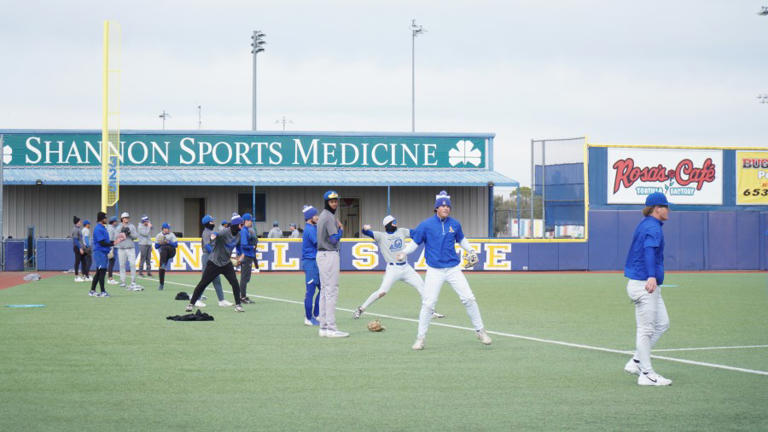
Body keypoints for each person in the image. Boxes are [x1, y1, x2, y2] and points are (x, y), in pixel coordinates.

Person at [406, 191, 492, 350]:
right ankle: (420, 338)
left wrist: (471, 251)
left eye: (448, 206)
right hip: (434, 270)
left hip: (453, 268)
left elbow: (462, 240)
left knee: (469, 298)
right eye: (442, 205)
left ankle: (480, 331)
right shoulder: (426, 225)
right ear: (436, 208)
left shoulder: (455, 224)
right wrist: (404, 253)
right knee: (429, 304)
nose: (446, 208)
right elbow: (414, 243)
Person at [622, 192, 672, 386]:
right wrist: (651, 275)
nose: (668, 210)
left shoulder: (646, 224)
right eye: (666, 206)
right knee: (646, 330)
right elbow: (649, 250)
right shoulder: (652, 227)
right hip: (644, 284)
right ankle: (646, 374)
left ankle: (636, 361)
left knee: (662, 324)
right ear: (657, 208)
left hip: (644, 284)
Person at [353, 215, 445, 320]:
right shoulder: (381, 236)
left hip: (406, 268)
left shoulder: (401, 231)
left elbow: (415, 233)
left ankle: (431, 311)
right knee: (382, 291)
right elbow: (366, 232)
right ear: (387, 224)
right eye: (393, 222)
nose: (396, 223)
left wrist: (427, 233)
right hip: (393, 269)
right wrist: (364, 228)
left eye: (395, 221)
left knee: (422, 287)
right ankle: (361, 309)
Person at [187, 216, 246, 313]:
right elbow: (216, 234)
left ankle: (238, 305)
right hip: (214, 262)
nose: (242, 226)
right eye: (241, 225)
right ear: (235, 225)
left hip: (226, 263)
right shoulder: (225, 232)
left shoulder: (238, 235)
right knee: (203, 283)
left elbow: (239, 247)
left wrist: (240, 256)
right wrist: (213, 236)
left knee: (234, 283)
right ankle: (191, 304)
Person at [316, 190, 348, 338]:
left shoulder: (325, 215)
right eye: (332, 201)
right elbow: (334, 239)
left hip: (322, 254)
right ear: (326, 202)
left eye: (336, 200)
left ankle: (323, 327)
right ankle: (331, 328)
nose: (334, 203)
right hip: (329, 254)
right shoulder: (328, 217)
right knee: (331, 291)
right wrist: (341, 229)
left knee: (324, 290)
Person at [89, 212, 126, 297]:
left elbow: (106, 241)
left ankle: (92, 290)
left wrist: (116, 241)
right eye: (105, 218)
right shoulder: (98, 228)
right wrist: (113, 244)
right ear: (102, 219)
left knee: (99, 272)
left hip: (103, 252)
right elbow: (102, 242)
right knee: (102, 272)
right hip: (100, 253)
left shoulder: (103, 228)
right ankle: (103, 292)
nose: (106, 219)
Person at [200, 215, 232, 307]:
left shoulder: (211, 232)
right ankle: (197, 299)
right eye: (212, 221)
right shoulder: (206, 232)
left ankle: (221, 300)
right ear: (207, 223)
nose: (213, 223)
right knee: (205, 280)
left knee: (217, 279)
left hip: (212, 257)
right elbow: (207, 245)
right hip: (207, 257)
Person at [301, 205, 321, 326]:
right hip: (310, 262)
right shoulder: (309, 229)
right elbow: (319, 243)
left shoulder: (313, 227)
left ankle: (317, 314)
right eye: (315, 215)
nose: (317, 217)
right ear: (310, 217)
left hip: (315, 262)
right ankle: (308, 318)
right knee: (311, 291)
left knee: (323, 289)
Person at [115, 212, 142, 291]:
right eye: (125, 217)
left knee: (132, 264)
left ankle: (133, 281)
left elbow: (136, 236)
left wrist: (129, 233)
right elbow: (116, 237)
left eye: (127, 217)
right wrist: (123, 233)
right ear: (122, 219)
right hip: (121, 248)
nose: (126, 219)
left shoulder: (132, 226)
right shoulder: (118, 227)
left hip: (130, 248)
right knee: (122, 265)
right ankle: (123, 281)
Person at [236, 213, 258, 304]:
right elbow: (244, 245)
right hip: (246, 255)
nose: (251, 222)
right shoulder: (244, 231)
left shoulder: (246, 230)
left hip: (248, 255)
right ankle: (242, 297)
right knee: (244, 278)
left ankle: (242, 296)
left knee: (246, 277)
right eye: (250, 220)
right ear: (245, 221)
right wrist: (252, 246)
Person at [154, 223, 178, 292]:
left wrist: (168, 242)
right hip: (163, 254)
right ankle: (161, 284)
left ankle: (163, 263)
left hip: (171, 251)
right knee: (161, 268)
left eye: (168, 228)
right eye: (167, 228)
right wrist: (160, 243)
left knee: (165, 247)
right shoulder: (159, 235)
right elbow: (156, 246)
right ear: (163, 229)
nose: (168, 230)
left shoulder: (171, 235)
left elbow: (176, 245)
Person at [106, 216, 119, 285]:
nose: (116, 222)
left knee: (111, 263)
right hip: (112, 247)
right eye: (116, 221)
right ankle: (110, 278)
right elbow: (110, 239)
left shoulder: (111, 228)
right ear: (113, 222)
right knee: (111, 263)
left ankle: (110, 277)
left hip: (113, 246)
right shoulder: (111, 228)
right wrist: (111, 249)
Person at [71, 216, 85, 282]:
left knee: (83, 261)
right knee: (77, 262)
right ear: (77, 222)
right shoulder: (75, 229)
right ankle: (76, 276)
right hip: (77, 248)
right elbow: (75, 240)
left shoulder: (79, 229)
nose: (80, 222)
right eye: (79, 221)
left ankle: (83, 275)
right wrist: (80, 248)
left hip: (80, 247)